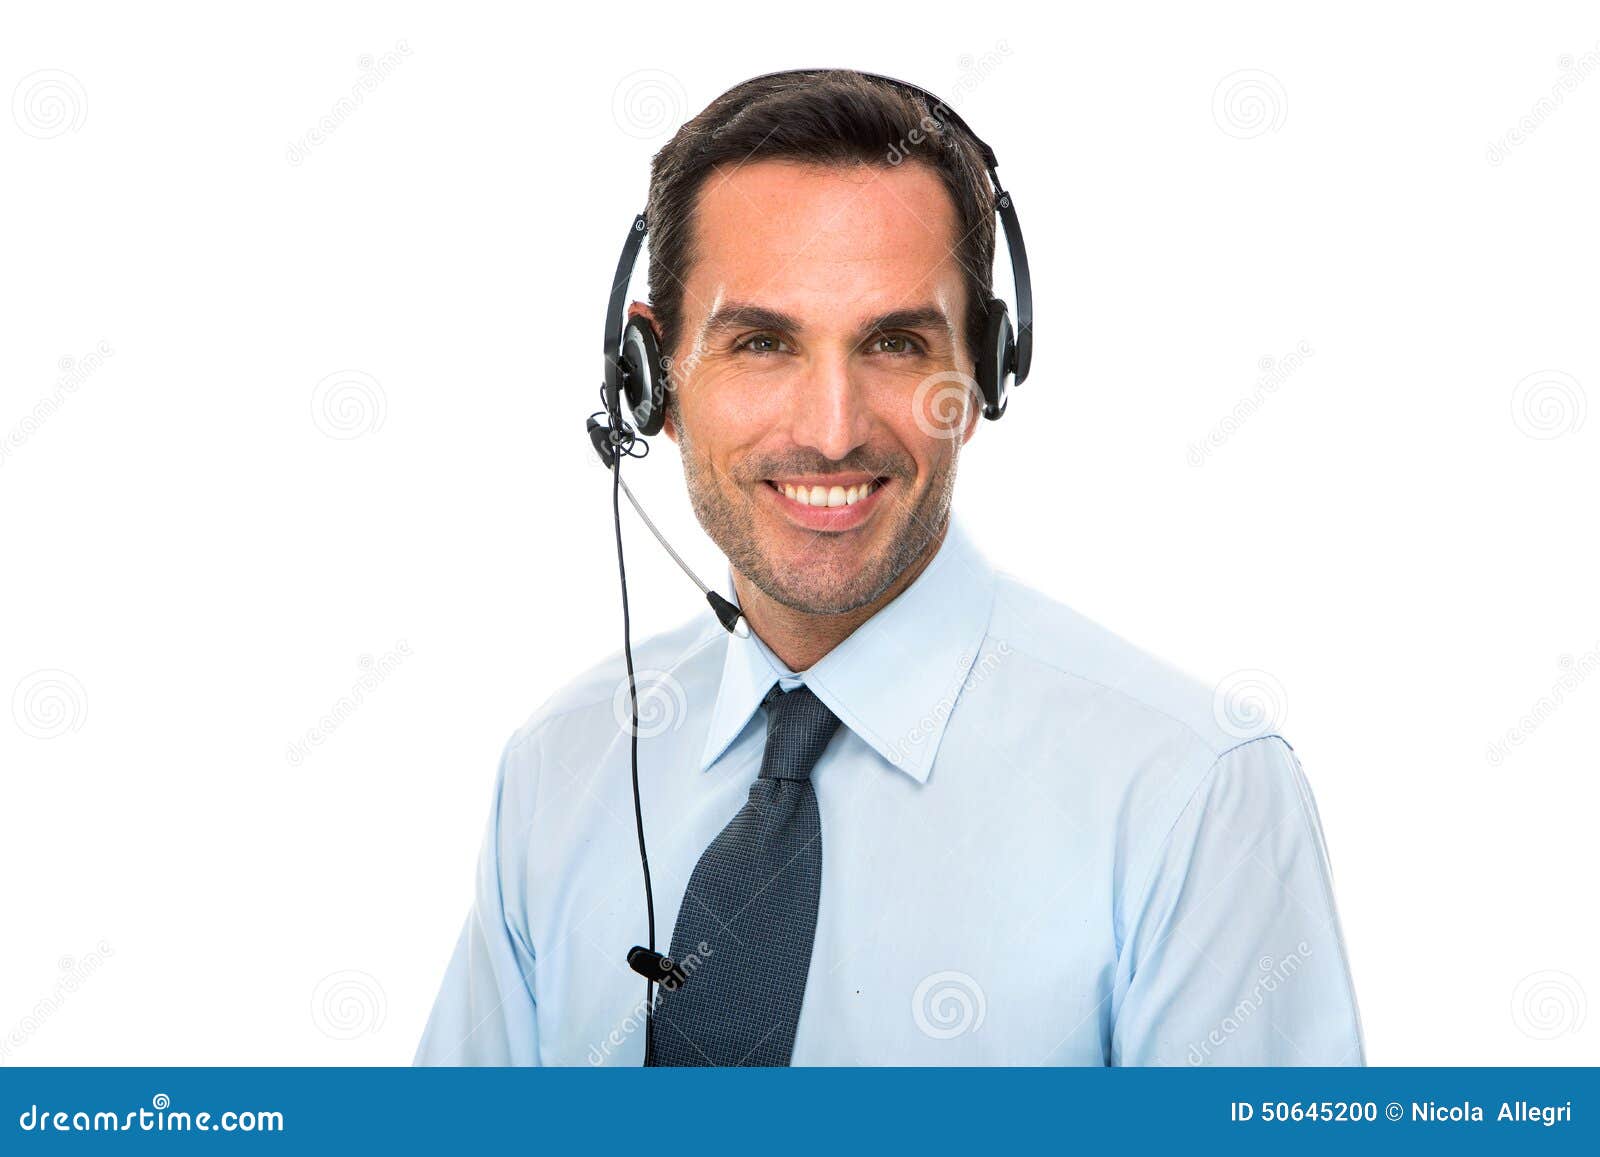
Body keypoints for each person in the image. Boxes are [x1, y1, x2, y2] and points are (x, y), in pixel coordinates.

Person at [414, 68, 1364, 1066]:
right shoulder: (560, 769)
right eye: (761, 342)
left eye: (897, 343)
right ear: (652, 380)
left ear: (984, 369)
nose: (833, 432)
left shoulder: (1193, 794)